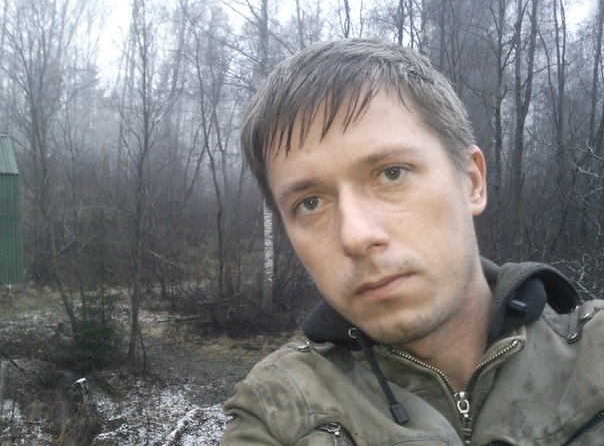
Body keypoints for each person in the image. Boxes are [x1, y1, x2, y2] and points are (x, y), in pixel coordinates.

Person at [221, 39, 604, 445]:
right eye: (310, 203)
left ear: (472, 182)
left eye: (392, 174)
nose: (356, 236)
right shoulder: (278, 412)